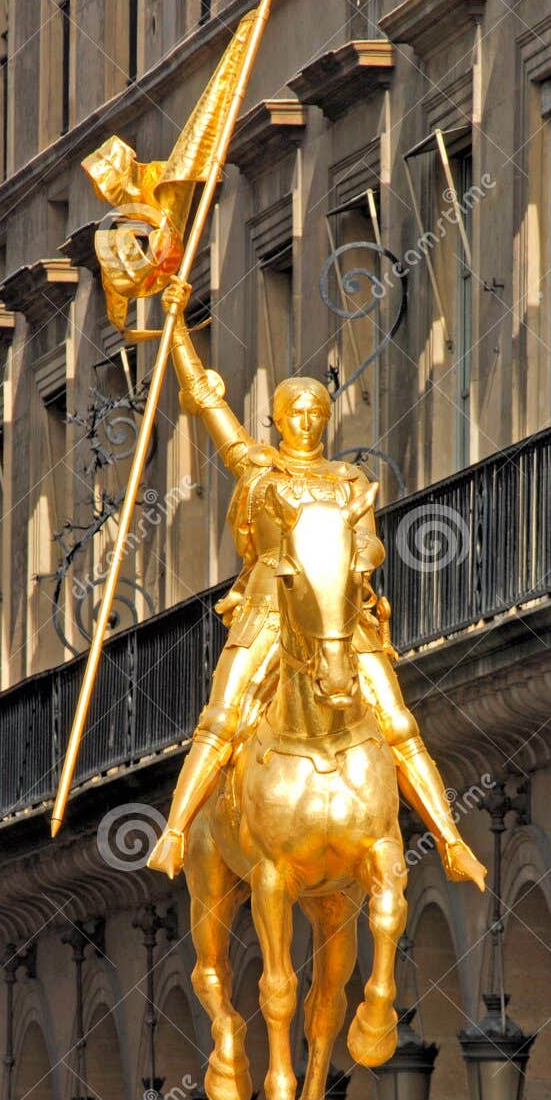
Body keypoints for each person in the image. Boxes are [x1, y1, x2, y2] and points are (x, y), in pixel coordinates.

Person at [146, 276, 486, 891]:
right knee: (222, 718)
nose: (305, 420)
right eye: (293, 412)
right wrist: (178, 335)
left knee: (399, 721)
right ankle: (174, 831)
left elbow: (370, 543)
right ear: (276, 421)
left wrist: (361, 556)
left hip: (341, 618)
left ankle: (450, 839)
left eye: (315, 412)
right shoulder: (259, 467)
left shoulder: (350, 479)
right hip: (270, 612)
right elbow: (205, 402)